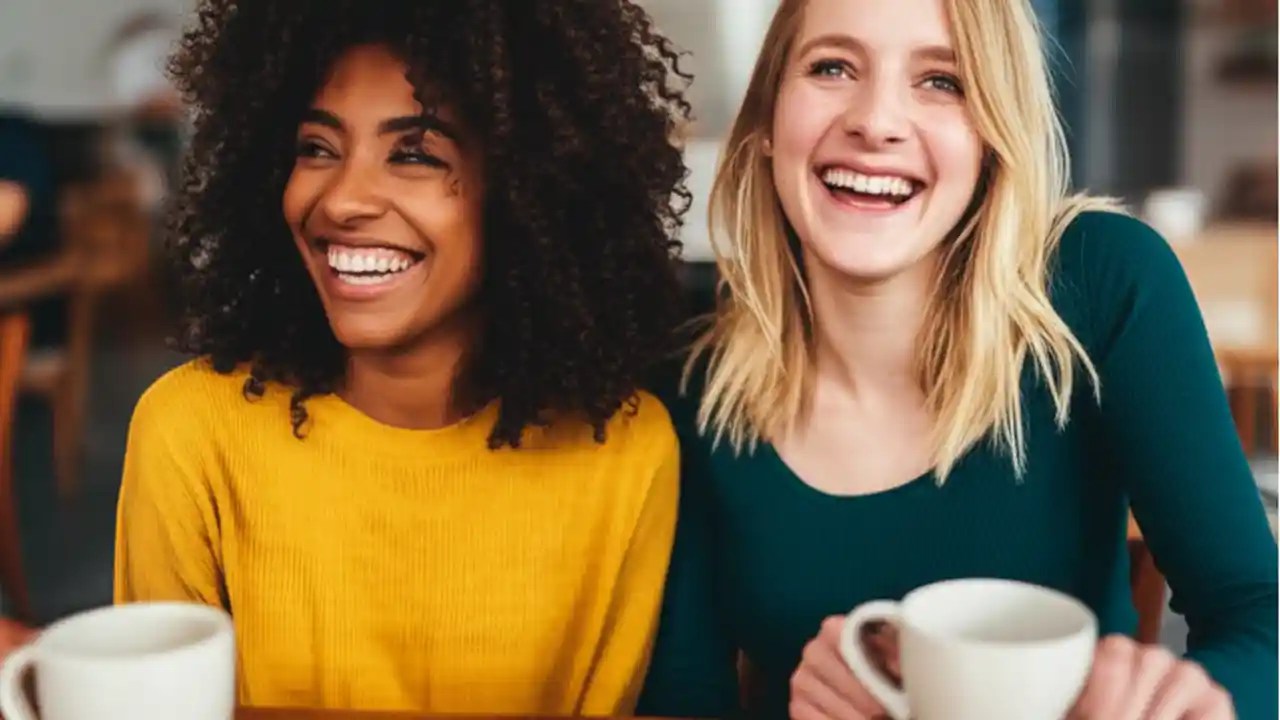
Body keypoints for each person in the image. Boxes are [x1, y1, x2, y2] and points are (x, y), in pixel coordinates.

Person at [637, 0, 1279, 718]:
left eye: (942, 80)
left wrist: (1202, 708)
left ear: (992, 136)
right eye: (832, 67)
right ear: (763, 124)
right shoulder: (689, 392)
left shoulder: (1102, 283)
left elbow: (1259, 610)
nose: (875, 121)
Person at [114, 0, 691, 714]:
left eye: (415, 154)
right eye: (317, 148)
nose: (344, 200)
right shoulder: (190, 431)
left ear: (527, 190)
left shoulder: (627, 453)